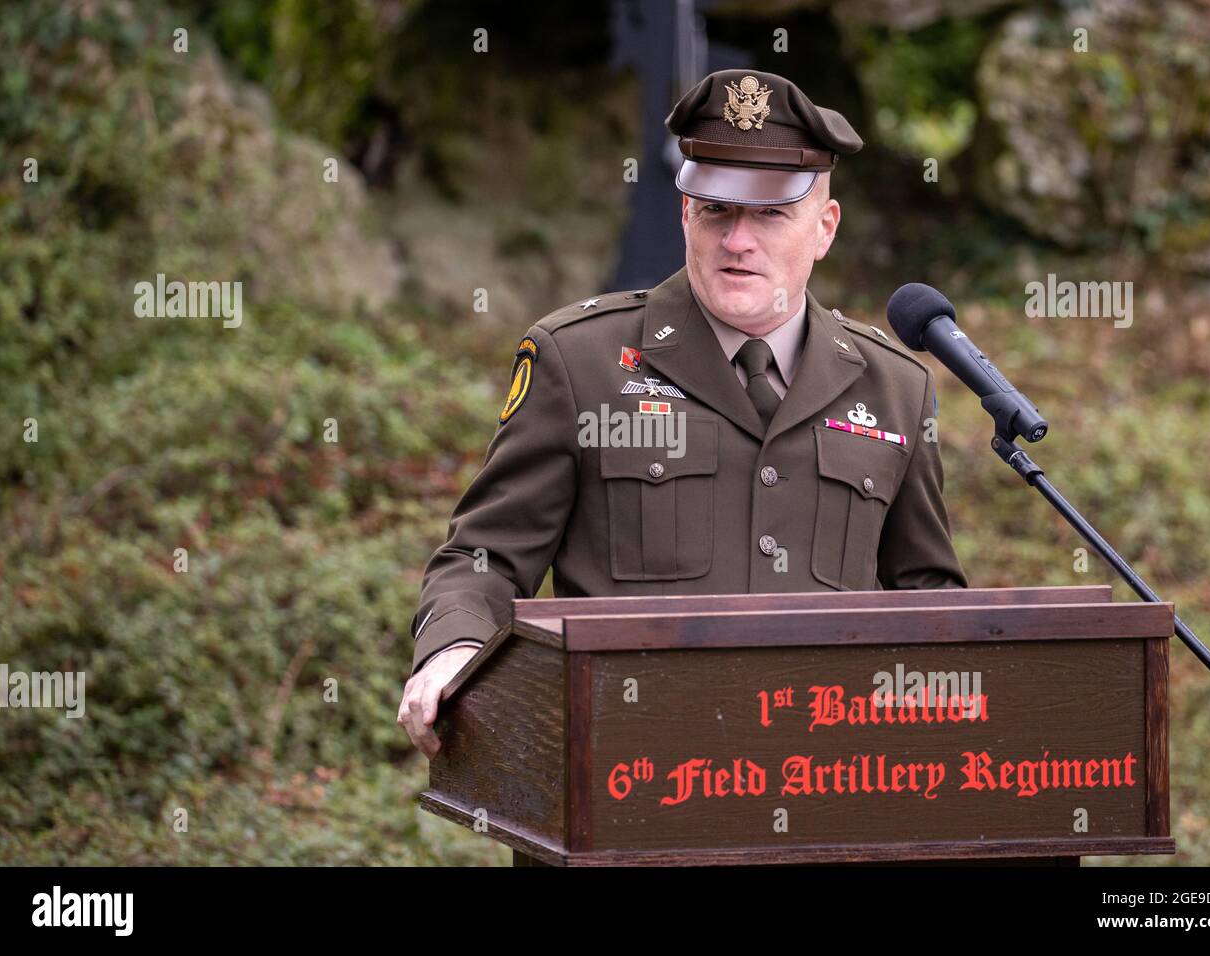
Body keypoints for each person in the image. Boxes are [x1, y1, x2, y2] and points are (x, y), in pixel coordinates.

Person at [397, 69, 967, 757]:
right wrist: (454, 647)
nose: (737, 241)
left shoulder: (894, 386)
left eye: (769, 214)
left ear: (825, 227)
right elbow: (481, 558)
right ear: (685, 215)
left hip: (829, 784)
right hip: (625, 776)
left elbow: (927, 598)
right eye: (717, 210)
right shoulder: (580, 362)